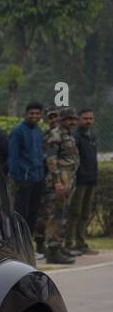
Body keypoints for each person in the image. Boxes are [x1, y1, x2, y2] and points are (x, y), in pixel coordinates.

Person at [38, 108, 79, 264]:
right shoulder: (55, 135)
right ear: (62, 120)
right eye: (69, 119)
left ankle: (58, 245)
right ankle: (52, 250)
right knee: (55, 215)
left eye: (74, 119)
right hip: (59, 181)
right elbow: (51, 160)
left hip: (67, 179)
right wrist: (56, 181)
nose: (73, 122)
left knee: (62, 214)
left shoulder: (67, 135)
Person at [8, 102, 46, 253]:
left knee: (33, 214)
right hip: (24, 179)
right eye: (32, 113)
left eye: (37, 114)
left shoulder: (38, 131)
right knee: (21, 214)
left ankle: (27, 246)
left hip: (38, 178)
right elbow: (13, 157)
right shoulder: (18, 131)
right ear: (26, 114)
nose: (35, 116)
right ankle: (17, 245)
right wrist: (18, 178)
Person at [67, 109, 97, 256]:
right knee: (75, 212)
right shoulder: (75, 136)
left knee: (85, 212)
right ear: (79, 119)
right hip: (79, 181)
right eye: (85, 118)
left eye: (90, 118)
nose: (88, 121)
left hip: (91, 179)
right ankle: (69, 243)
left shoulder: (92, 136)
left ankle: (81, 242)